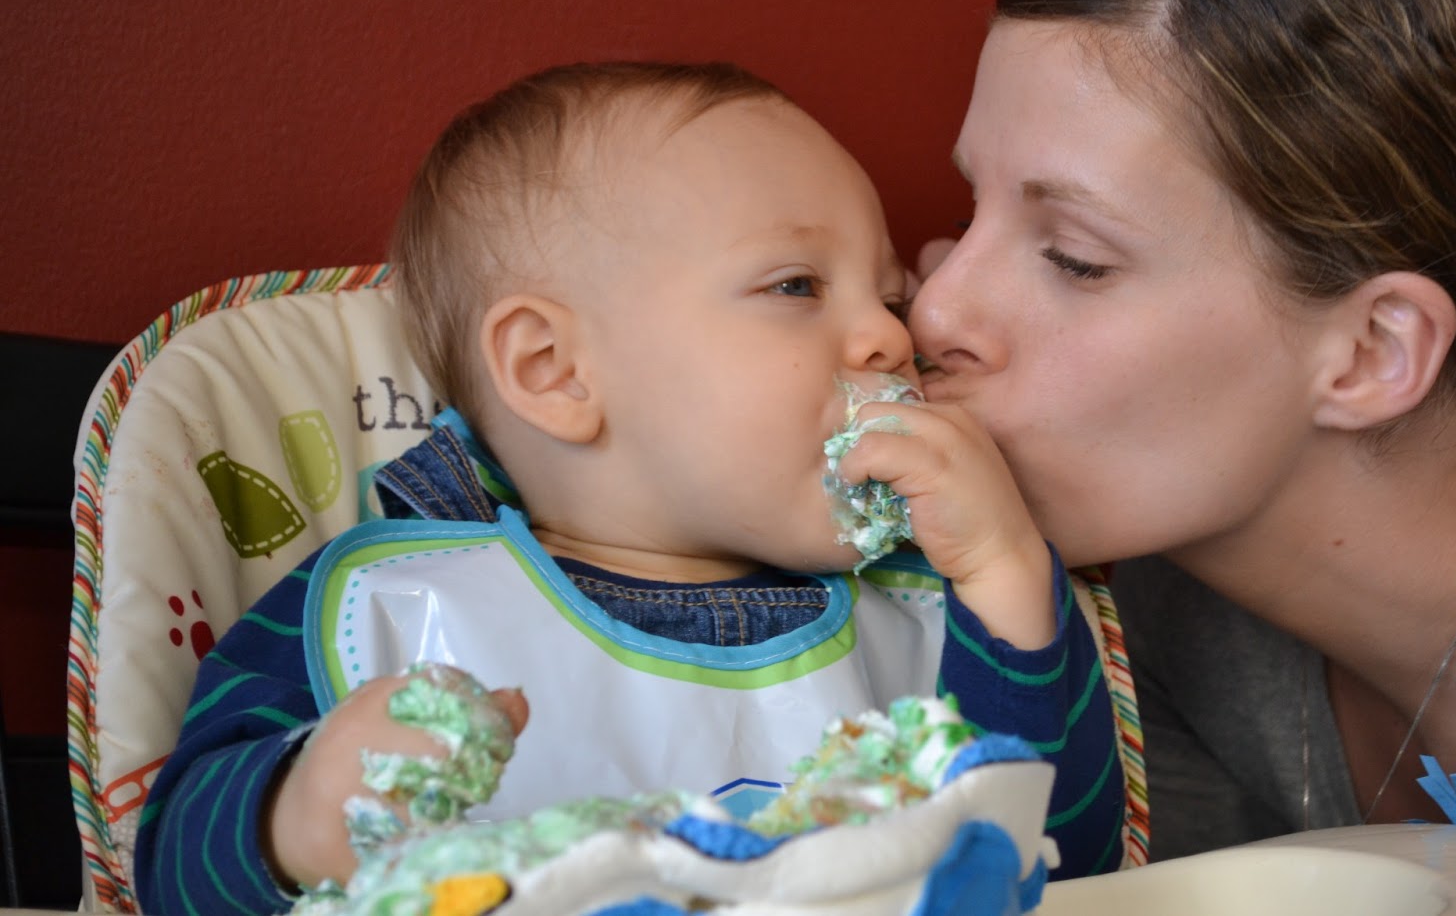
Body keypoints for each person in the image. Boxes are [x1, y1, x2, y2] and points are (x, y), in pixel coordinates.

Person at [134, 61, 1136, 916]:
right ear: (556, 371)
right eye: (796, 286)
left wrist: (1003, 576)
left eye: (886, 297)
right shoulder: (391, 606)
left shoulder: (927, 612)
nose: (887, 337)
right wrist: (293, 820)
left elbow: (1065, 869)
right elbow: (172, 872)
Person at [908, 0, 1456, 862]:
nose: (933, 308)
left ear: (1371, 352)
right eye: (971, 211)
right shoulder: (1146, 611)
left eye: (1075, 259)